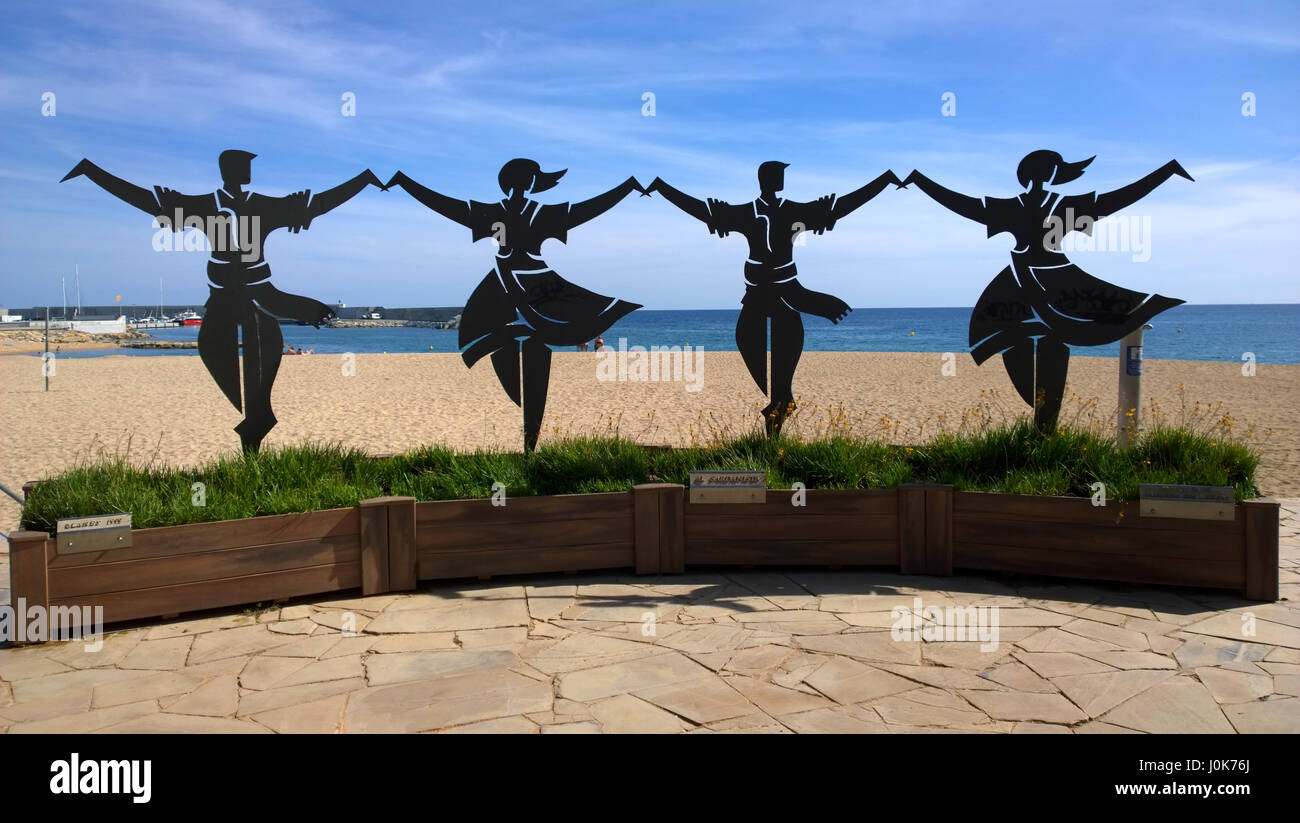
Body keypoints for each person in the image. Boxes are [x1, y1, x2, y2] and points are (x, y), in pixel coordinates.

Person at [62, 151, 383, 452]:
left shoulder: (263, 206)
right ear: (229, 171)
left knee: (267, 343)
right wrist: (93, 172)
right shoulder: (205, 206)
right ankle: (255, 419)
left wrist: (362, 180)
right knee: (215, 349)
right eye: (243, 166)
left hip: (261, 292)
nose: (248, 171)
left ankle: (257, 419)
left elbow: (317, 205)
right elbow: (150, 202)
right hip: (223, 298)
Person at [903, 151, 1191, 430]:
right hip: (1028, 284)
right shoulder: (1042, 207)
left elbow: (966, 205)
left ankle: (1045, 423)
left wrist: (919, 180)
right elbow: (1112, 201)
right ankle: (1043, 420)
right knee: (1021, 342)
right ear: (1051, 173)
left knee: (1051, 340)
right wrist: (1165, 173)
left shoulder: (1033, 206)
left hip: (1047, 281)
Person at [387, 159, 645, 451]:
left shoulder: (521, 213)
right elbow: (447, 206)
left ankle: (530, 442)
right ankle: (527, 433)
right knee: (499, 341)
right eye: (531, 179)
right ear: (529, 182)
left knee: (539, 342)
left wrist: (626, 187)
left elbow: (586, 210)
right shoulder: (500, 213)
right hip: (510, 285)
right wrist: (405, 183)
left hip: (536, 284)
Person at [650, 162, 901, 435]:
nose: (781, 178)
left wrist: (883, 181)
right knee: (747, 340)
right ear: (766, 180)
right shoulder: (747, 213)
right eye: (777, 175)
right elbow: (703, 211)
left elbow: (838, 207)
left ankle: (779, 410)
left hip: (787, 295)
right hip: (757, 295)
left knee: (783, 363)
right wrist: (663, 188)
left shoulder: (793, 211)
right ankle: (778, 408)